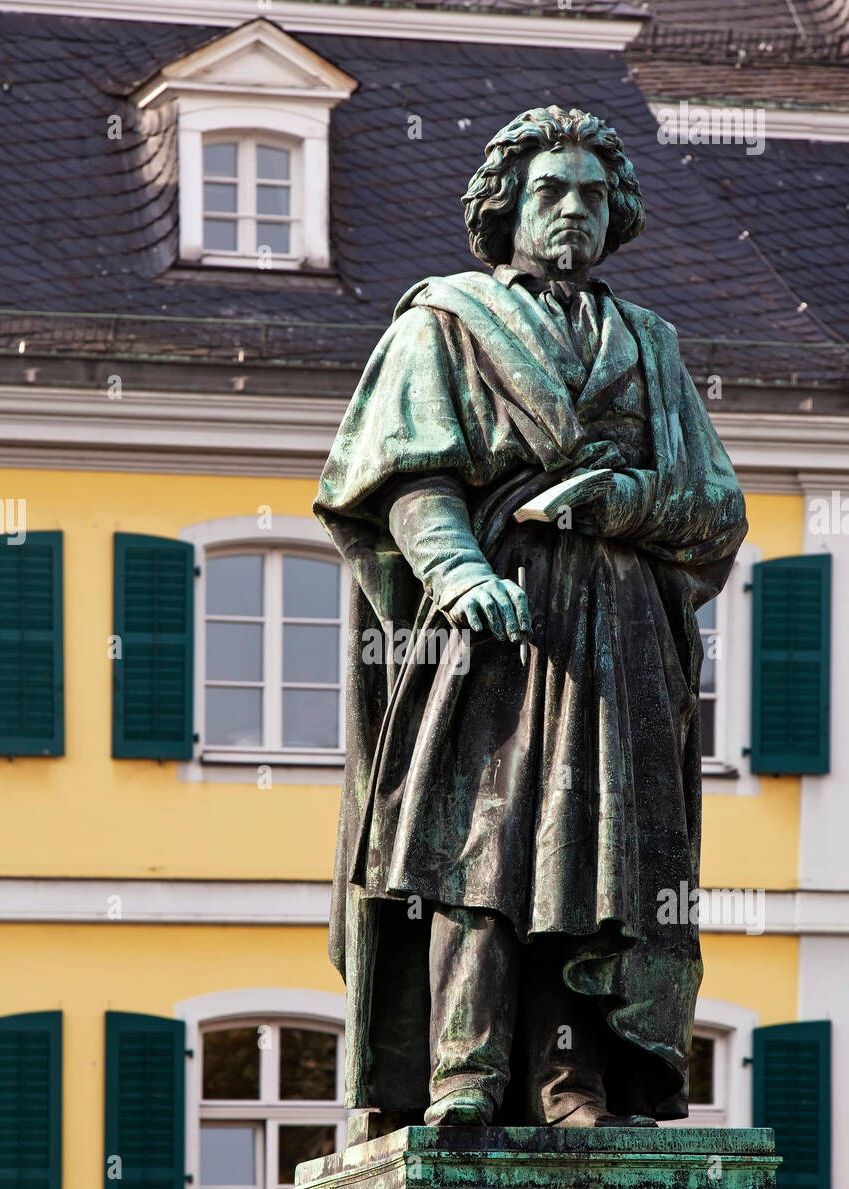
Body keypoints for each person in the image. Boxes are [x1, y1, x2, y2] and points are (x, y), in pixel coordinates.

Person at [314, 106, 748, 1133]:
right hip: (490, 628)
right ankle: (461, 1069)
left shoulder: (648, 342)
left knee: (595, 863)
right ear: (505, 202)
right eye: (551, 191)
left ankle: (573, 1087)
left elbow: (714, 507)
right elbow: (403, 479)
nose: (572, 212)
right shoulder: (442, 322)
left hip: (621, 635)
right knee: (477, 844)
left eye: (593, 196)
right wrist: (458, 575)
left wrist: (623, 503)